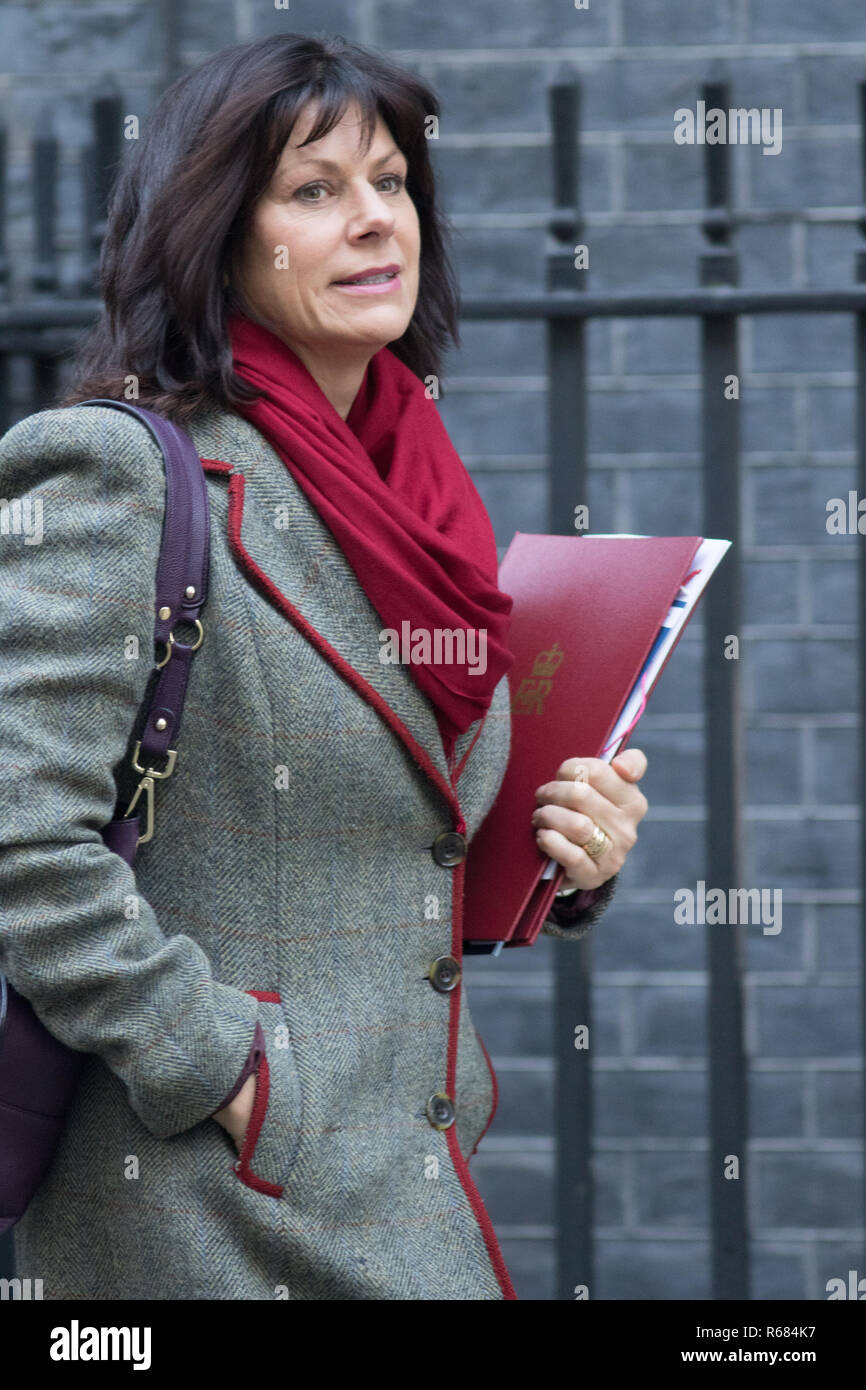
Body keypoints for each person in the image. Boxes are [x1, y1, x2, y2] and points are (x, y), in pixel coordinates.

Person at [0, 32, 648, 1300]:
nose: (373, 221)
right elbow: (26, 838)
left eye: (392, 183)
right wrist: (228, 1074)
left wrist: (565, 860)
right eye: (313, 190)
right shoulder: (119, 470)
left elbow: (399, 839)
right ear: (215, 233)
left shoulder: (416, 500)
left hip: (408, 1166)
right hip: (205, 1211)